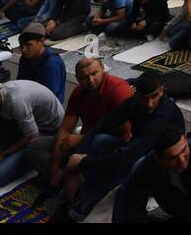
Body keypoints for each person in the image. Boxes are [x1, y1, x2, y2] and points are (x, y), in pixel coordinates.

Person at [54, 72, 186, 222]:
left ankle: (76, 212)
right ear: (137, 94)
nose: (149, 103)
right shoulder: (133, 103)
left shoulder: (161, 117)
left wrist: (82, 163)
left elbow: (126, 158)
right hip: (136, 150)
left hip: (163, 165)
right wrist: (74, 168)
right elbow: (101, 125)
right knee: (100, 140)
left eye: (154, 96)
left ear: (161, 91)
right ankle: (73, 195)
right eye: (145, 98)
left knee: (120, 168)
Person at [25, 56, 132, 193]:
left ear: (103, 70)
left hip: (112, 143)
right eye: (84, 78)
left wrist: (84, 138)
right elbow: (65, 129)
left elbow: (123, 128)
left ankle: (75, 181)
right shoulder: (78, 93)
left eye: (94, 74)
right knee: (35, 147)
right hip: (84, 141)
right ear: (77, 79)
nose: (90, 80)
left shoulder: (117, 88)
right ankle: (69, 180)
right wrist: (55, 167)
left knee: (98, 141)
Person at [111, 125, 191, 223]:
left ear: (186, 140)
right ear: (158, 158)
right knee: (139, 174)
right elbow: (125, 191)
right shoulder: (150, 162)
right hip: (181, 193)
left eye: (184, 150)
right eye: (173, 157)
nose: (182, 160)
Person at [0, 79, 65, 187]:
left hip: (48, 131)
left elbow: (33, 136)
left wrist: (3, 154)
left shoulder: (17, 102)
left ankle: (40, 159)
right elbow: (3, 127)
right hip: (26, 126)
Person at [16, 22, 67, 103]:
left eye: (28, 45)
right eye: (21, 45)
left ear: (41, 41)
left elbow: (48, 99)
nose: (24, 49)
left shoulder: (51, 64)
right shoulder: (25, 58)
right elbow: (20, 84)